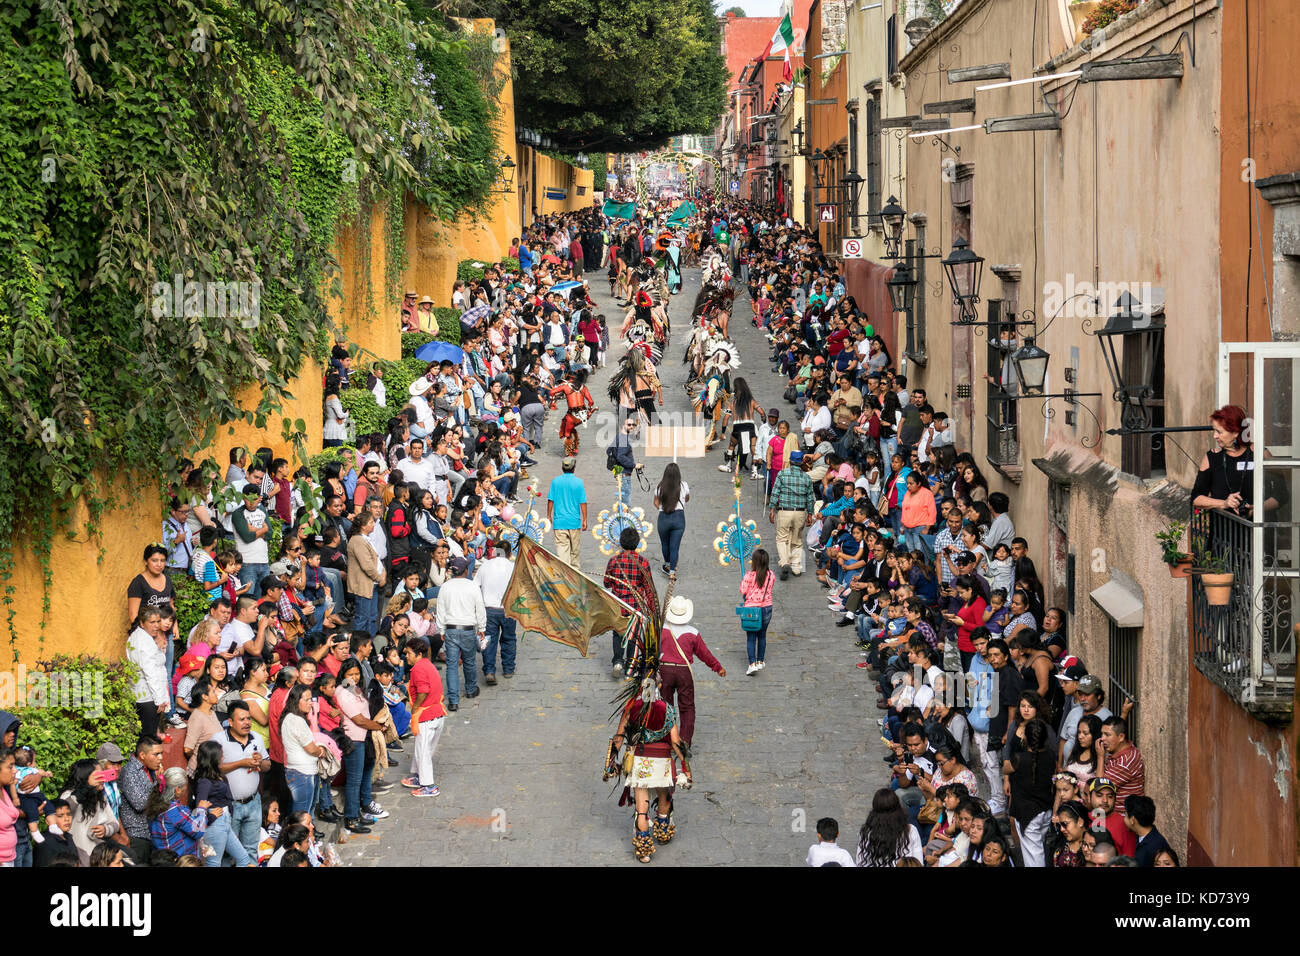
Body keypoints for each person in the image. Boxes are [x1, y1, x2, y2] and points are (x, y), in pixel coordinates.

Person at [611, 675, 691, 864]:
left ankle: (644, 850)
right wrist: (686, 767)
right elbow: (675, 741)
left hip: (639, 762)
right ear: (660, 685)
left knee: (642, 808)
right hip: (662, 762)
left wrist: (610, 762)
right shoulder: (668, 710)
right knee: (664, 796)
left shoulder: (631, 707)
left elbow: (619, 737)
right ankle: (663, 833)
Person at [658, 596, 725, 749]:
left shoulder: (661, 629)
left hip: (664, 671)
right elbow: (704, 654)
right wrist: (717, 667)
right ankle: (684, 741)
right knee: (687, 707)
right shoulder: (693, 633)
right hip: (684, 673)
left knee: (665, 705)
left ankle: (667, 739)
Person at [216, 700, 270, 858]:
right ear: (230, 722)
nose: (247, 723)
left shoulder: (257, 738)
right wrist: (241, 763)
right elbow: (214, 769)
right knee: (227, 851)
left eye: (249, 719)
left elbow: (268, 765)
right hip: (229, 806)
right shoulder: (219, 739)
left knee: (251, 850)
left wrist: (261, 762)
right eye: (242, 719)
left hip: (254, 802)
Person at [602, 527, 656, 679]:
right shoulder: (643, 563)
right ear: (637, 543)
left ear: (621, 542)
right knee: (634, 637)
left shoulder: (613, 561)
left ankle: (618, 661)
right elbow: (649, 588)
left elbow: (606, 583)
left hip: (618, 605)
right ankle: (630, 670)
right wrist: (652, 610)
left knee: (618, 634)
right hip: (636, 607)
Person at [435, 556, 486, 712]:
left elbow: (440, 610)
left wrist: (441, 630)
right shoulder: (472, 587)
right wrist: (482, 628)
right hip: (468, 629)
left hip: (451, 629)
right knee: (470, 662)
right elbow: (480, 608)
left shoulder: (445, 587)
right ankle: (470, 690)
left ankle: (453, 700)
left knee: (451, 665)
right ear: (465, 571)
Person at [1003, 718, 1055, 867]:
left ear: (1026, 737)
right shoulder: (1051, 756)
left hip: (1028, 814)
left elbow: (1005, 768)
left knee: (1034, 858)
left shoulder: (1020, 758)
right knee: (1039, 850)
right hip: (1045, 810)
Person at [400, 638, 447, 797]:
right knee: (423, 749)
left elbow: (423, 691)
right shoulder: (427, 664)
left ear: (418, 654)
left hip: (427, 716)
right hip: (437, 714)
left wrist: (414, 708)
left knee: (423, 751)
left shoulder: (418, 669)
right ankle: (417, 776)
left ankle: (429, 785)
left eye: (409, 653)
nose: (406, 656)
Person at [59, 759, 121, 865]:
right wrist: (86, 788)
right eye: (98, 776)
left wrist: (105, 829)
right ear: (85, 776)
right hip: (76, 854)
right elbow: (66, 808)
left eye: (103, 774)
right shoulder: (68, 795)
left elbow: (115, 824)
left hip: (97, 852)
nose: (103, 779)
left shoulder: (100, 798)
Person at [474, 539, 518, 683]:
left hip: (489, 610)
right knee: (509, 639)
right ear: (510, 553)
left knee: (488, 640)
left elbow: (475, 586)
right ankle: (508, 668)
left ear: (495, 551)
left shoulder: (485, 566)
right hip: (508, 609)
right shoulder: (513, 567)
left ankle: (489, 670)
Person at [118, 734, 164, 865]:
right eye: (156, 754)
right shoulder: (130, 772)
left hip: (150, 832)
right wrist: (157, 783)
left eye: (161, 753)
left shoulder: (150, 770)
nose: (160, 758)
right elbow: (140, 804)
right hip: (136, 835)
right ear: (142, 755)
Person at [279, 684, 325, 817]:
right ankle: (300, 838)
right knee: (302, 813)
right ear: (296, 700)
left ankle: (308, 837)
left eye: (311, 699)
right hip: (302, 773)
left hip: (300, 771)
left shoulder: (291, 718)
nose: (310, 703)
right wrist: (320, 751)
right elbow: (310, 748)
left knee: (304, 811)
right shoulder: (296, 720)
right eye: (307, 700)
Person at [768, 451, 814, 580]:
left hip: (784, 511)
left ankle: (784, 562)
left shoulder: (782, 474)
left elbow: (775, 492)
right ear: (801, 462)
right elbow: (810, 498)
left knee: (782, 538)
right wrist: (810, 514)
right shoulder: (806, 477)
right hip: (800, 512)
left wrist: (771, 509)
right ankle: (796, 567)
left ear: (790, 460)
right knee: (797, 540)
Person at [127, 606, 171, 738]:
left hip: (144, 694)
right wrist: (159, 699)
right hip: (148, 697)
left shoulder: (139, 636)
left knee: (145, 736)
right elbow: (151, 674)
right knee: (148, 738)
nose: (156, 626)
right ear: (142, 623)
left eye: (158, 621)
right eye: (152, 622)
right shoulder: (144, 643)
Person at [856, 788, 923, 866]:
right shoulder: (911, 830)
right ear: (898, 807)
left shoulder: (866, 832)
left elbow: (860, 862)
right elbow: (918, 862)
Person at [346, 510, 386, 636]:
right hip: (364, 586)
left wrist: (383, 573)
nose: (373, 524)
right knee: (362, 618)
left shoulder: (366, 539)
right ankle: (358, 647)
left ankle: (370, 647)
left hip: (372, 584)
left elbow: (377, 560)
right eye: (370, 522)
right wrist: (380, 578)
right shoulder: (357, 540)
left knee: (372, 617)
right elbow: (367, 565)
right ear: (363, 526)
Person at [547, 456, 588, 569]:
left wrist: (548, 515)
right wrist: (585, 519)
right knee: (574, 552)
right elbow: (583, 502)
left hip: (559, 523)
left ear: (562, 467)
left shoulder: (555, 481)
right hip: (574, 522)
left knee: (562, 551)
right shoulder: (579, 482)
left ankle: (565, 573)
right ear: (574, 468)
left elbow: (551, 500)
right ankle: (575, 572)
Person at [739, 548, 774, 675]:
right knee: (762, 635)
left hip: (751, 610)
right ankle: (760, 661)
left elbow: (743, 591)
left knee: (751, 637)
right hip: (767, 608)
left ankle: (752, 663)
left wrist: (744, 580)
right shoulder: (771, 575)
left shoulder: (749, 575)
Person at [1099, 715, 1145, 814]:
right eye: (1102, 734)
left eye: (1107, 735)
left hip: (1123, 816)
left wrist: (1100, 757)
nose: (1102, 739)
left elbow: (1099, 787)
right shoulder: (1119, 750)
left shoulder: (1126, 762)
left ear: (1121, 737)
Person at [653, 462, 690, 577]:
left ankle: (667, 564)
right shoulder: (684, 485)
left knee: (665, 544)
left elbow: (656, 502)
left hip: (663, 518)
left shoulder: (659, 487)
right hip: (679, 518)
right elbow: (687, 499)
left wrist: (661, 507)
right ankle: (672, 572)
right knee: (675, 547)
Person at [1124, 794, 1170, 867]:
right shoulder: (1144, 837)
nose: (1124, 819)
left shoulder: (1154, 847)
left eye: (1125, 815)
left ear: (1132, 820)